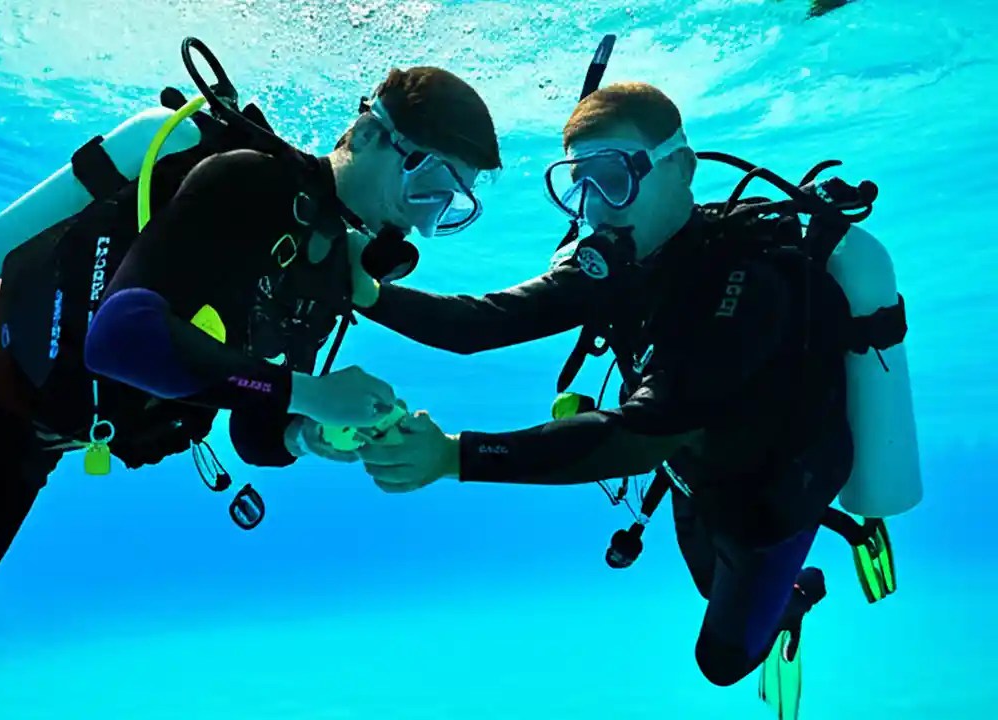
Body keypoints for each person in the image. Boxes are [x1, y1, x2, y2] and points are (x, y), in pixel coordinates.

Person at [0, 38, 502, 624]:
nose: (426, 219)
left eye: (452, 207)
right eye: (427, 182)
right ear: (365, 135)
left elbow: (253, 427)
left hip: (41, 432)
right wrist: (306, 391)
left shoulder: (329, 278)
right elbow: (119, 340)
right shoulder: (247, 182)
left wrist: (309, 434)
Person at [307, 77, 915, 718]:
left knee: (722, 662)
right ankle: (771, 589)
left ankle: (797, 594)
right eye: (579, 183)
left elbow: (640, 434)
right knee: (709, 580)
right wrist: (371, 295)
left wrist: (453, 456)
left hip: (770, 494)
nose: (597, 207)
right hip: (690, 471)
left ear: (680, 167)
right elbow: (487, 323)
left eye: (613, 176)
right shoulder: (617, 258)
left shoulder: (748, 285)